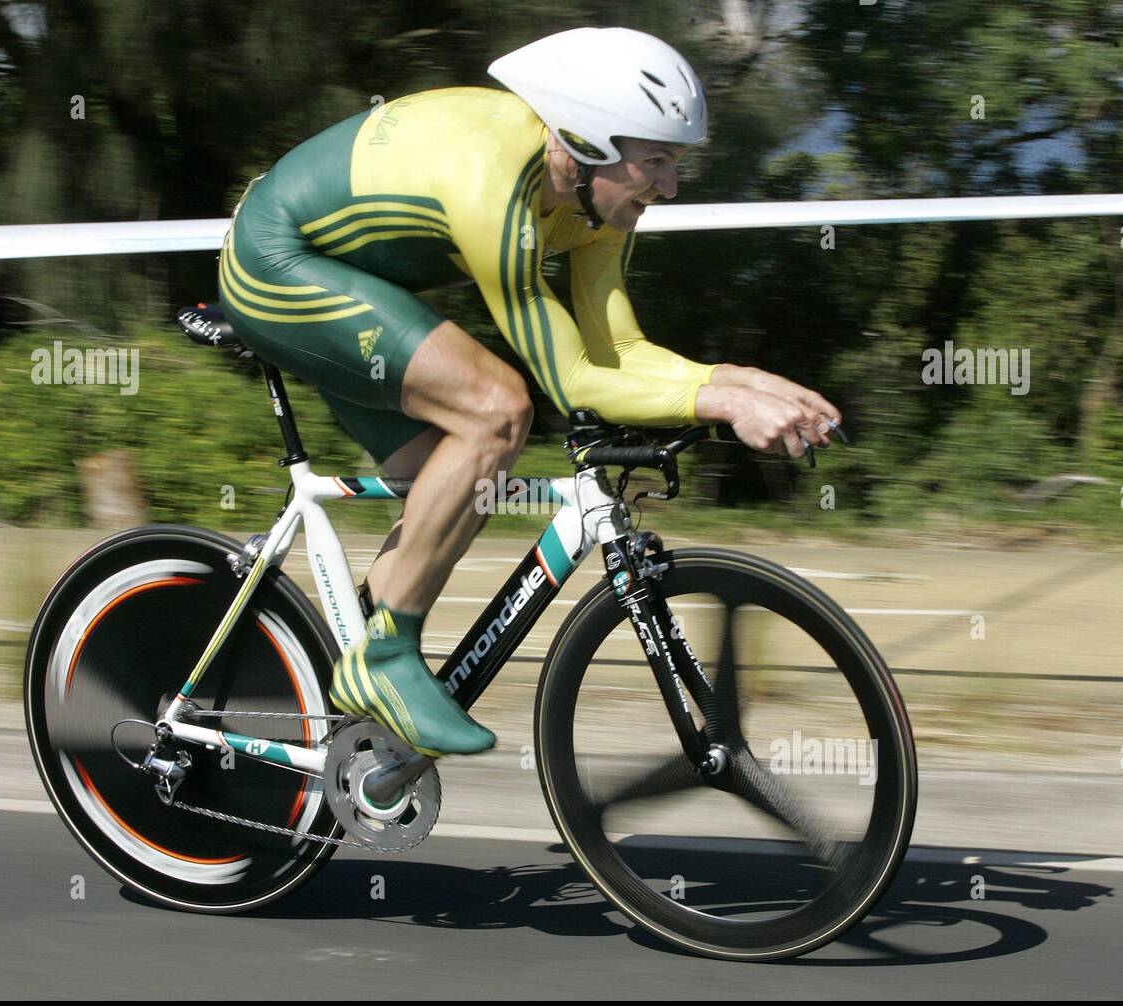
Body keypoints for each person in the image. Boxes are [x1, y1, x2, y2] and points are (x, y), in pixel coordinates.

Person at [217, 26, 841, 758]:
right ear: (583, 146)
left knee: (448, 484)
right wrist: (728, 401)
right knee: (497, 410)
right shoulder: (494, 180)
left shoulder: (596, 206)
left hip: (358, 287)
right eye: (658, 163)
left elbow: (621, 353)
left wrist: (741, 381)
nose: (671, 186)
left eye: (678, 164)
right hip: (274, 265)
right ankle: (383, 660)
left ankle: (338, 710)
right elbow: (572, 377)